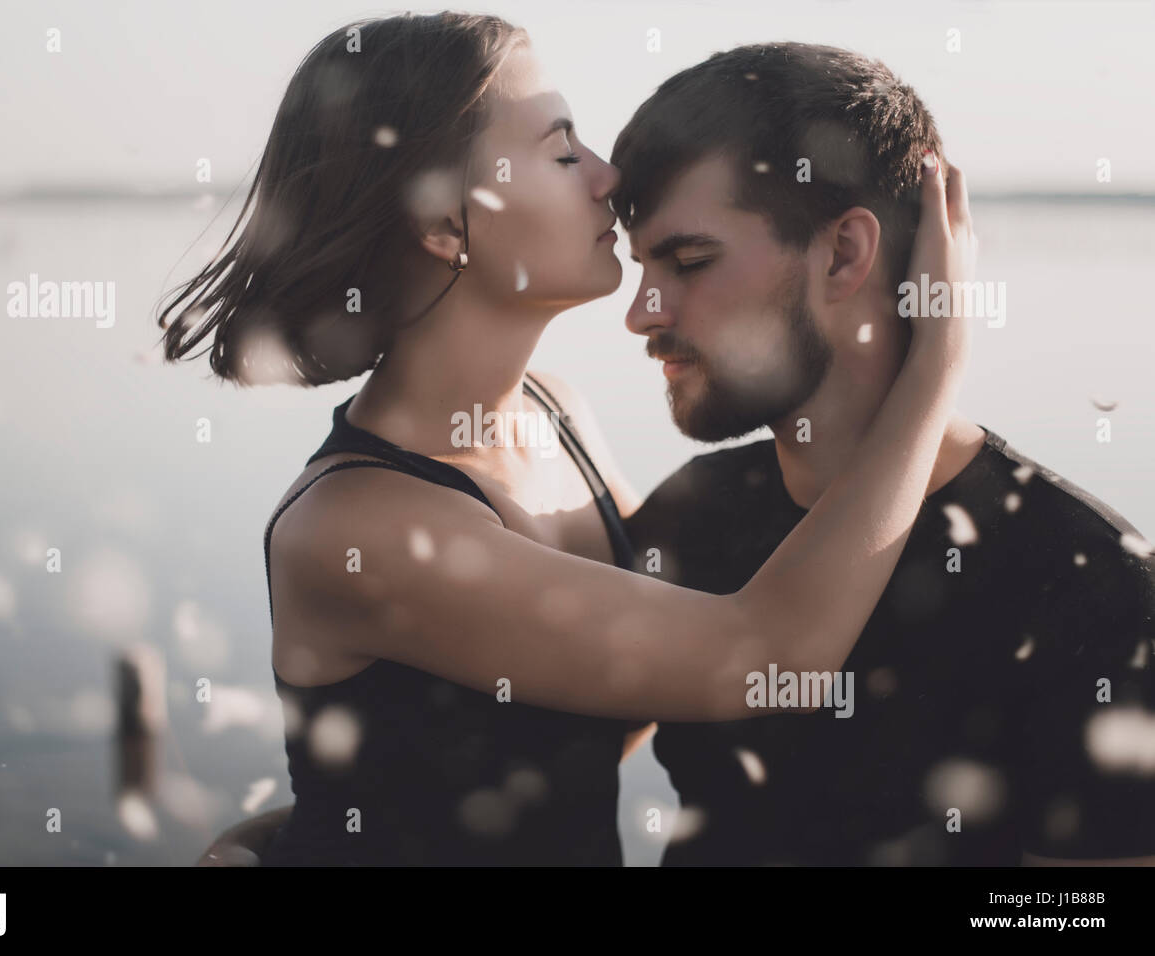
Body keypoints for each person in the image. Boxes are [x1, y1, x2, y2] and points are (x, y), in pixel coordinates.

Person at [157, 14, 972, 865]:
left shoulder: (558, 415)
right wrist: (937, 364)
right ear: (443, 222)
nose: (608, 176)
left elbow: (609, 701)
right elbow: (763, 657)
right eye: (562, 149)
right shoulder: (363, 526)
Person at [612, 41, 1155, 866]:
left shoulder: (1090, 583)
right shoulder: (692, 512)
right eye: (639, 266)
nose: (643, 314)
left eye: (688, 261)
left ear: (844, 254)